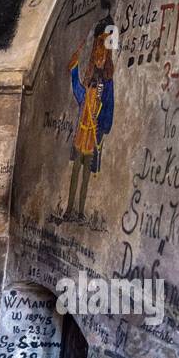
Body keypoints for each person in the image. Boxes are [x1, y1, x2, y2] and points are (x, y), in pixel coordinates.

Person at [65, 16, 116, 220]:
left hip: (94, 133)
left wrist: (102, 125)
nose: (100, 53)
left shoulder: (108, 81)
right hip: (82, 129)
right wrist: (74, 70)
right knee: (77, 167)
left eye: (104, 47)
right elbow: (80, 94)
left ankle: (79, 211)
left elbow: (109, 106)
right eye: (98, 46)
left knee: (87, 170)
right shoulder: (90, 75)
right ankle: (69, 209)